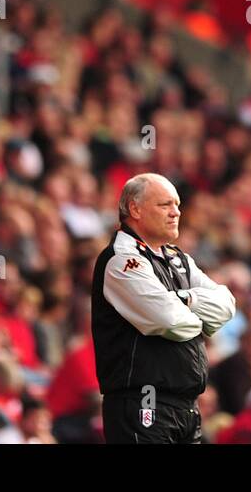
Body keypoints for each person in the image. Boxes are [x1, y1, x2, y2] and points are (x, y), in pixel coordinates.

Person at [91, 173, 236, 443]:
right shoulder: (121, 260)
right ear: (134, 209)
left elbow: (226, 306)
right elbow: (171, 322)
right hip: (143, 404)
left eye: (177, 205)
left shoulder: (177, 258)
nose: (176, 213)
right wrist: (199, 319)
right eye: (165, 205)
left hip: (186, 406)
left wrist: (183, 301)